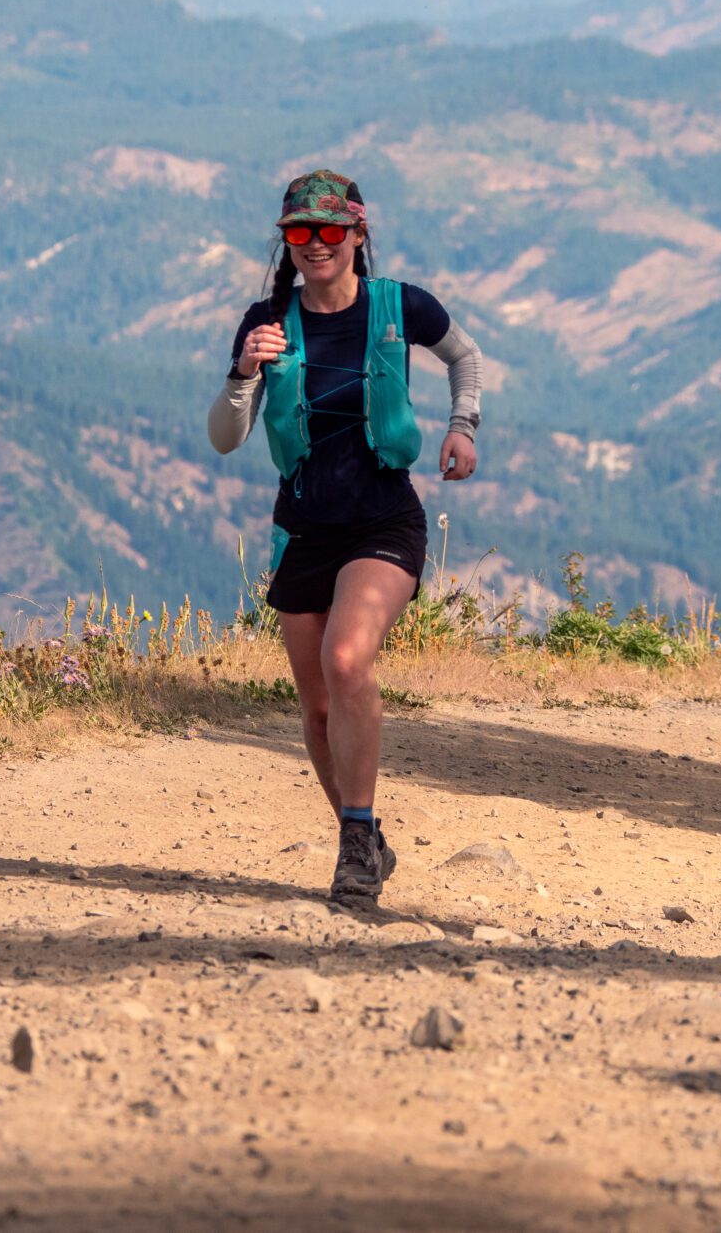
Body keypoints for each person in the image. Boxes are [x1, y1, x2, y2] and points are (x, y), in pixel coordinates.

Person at [208, 169, 482, 902]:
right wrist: (243, 372)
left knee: (348, 658)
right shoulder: (265, 324)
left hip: (384, 517)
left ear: (359, 234)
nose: (317, 244)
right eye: (301, 231)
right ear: (287, 240)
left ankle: (354, 847)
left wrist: (464, 426)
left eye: (332, 230)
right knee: (320, 707)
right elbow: (225, 438)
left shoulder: (400, 307)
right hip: (303, 527)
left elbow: (465, 356)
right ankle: (362, 837)